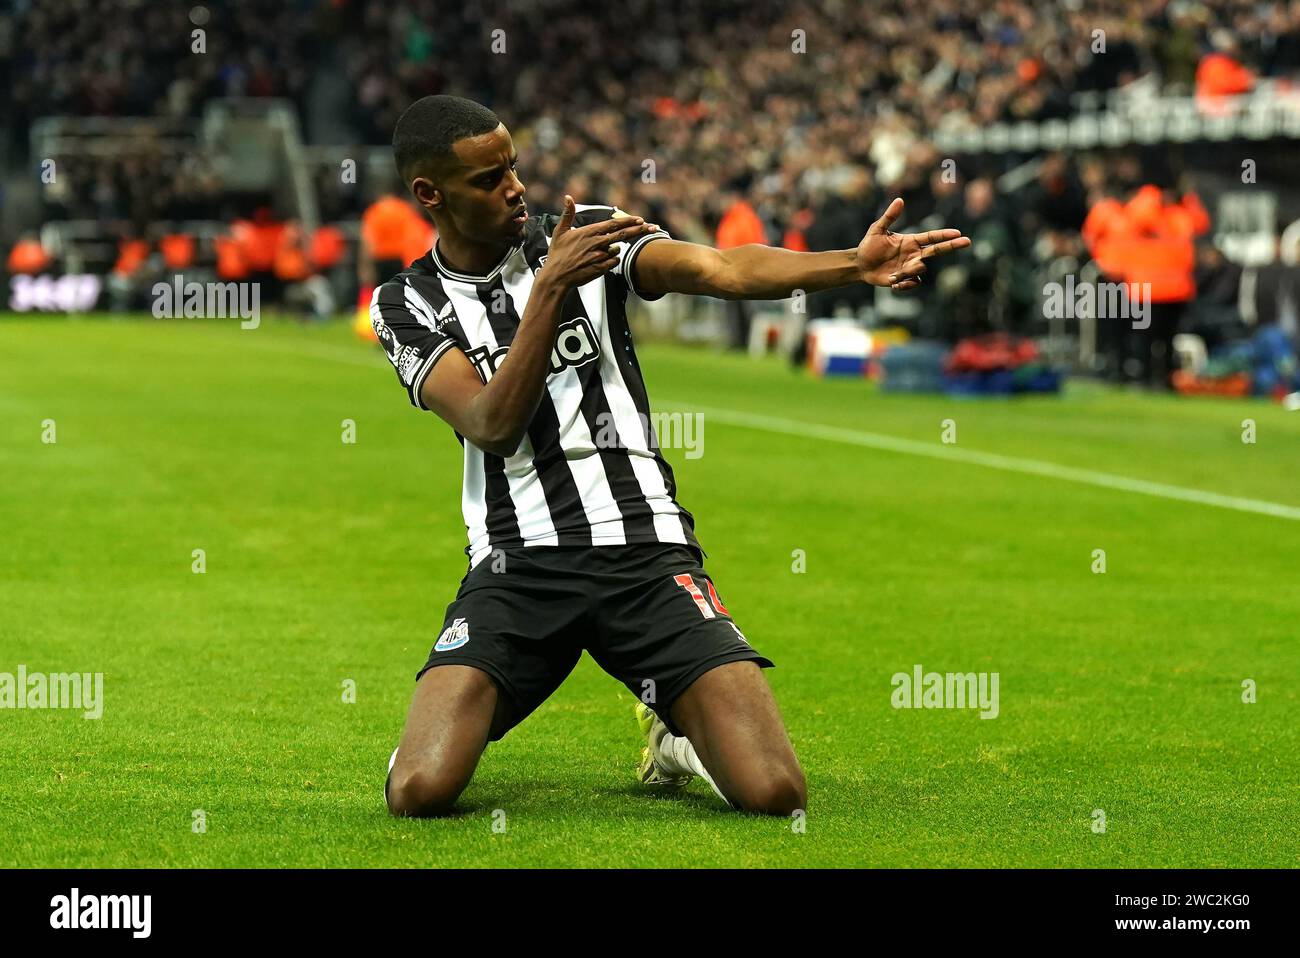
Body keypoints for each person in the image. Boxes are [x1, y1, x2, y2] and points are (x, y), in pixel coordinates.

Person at [373, 95, 969, 817]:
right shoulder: (405, 304)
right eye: (488, 178)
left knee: (775, 792)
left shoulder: (584, 233)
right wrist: (553, 290)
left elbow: (721, 269)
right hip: (518, 566)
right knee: (420, 790)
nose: (515, 187)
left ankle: (675, 738)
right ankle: (441, 722)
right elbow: (493, 424)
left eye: (514, 166)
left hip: (647, 553)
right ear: (429, 195)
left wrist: (849, 265)